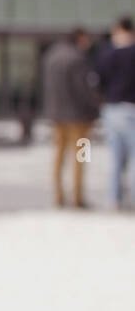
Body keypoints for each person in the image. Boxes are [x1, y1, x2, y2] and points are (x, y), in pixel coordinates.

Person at [41, 28, 101, 208]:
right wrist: (95, 108)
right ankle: (77, 196)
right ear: (79, 38)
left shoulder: (51, 57)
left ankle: (58, 195)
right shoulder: (78, 59)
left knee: (58, 156)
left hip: (57, 116)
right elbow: (83, 90)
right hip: (79, 118)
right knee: (81, 157)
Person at [95, 16, 135, 209]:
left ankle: (114, 198)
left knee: (115, 159)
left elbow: (98, 80)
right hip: (131, 108)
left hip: (112, 109)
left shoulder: (107, 53)